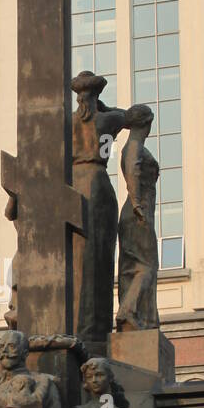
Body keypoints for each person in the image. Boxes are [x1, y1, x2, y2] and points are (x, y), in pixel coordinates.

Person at [71, 70, 129, 340]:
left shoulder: (66, 123)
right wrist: (102, 108)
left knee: (79, 258)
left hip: (73, 187)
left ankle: (78, 326)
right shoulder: (108, 119)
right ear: (97, 96)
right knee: (98, 258)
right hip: (98, 181)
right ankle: (94, 329)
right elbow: (134, 115)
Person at [116, 103, 161, 331]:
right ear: (147, 122)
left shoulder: (132, 145)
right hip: (138, 212)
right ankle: (128, 311)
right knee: (146, 266)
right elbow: (133, 170)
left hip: (137, 211)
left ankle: (138, 317)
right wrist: (136, 203)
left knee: (134, 267)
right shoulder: (134, 146)